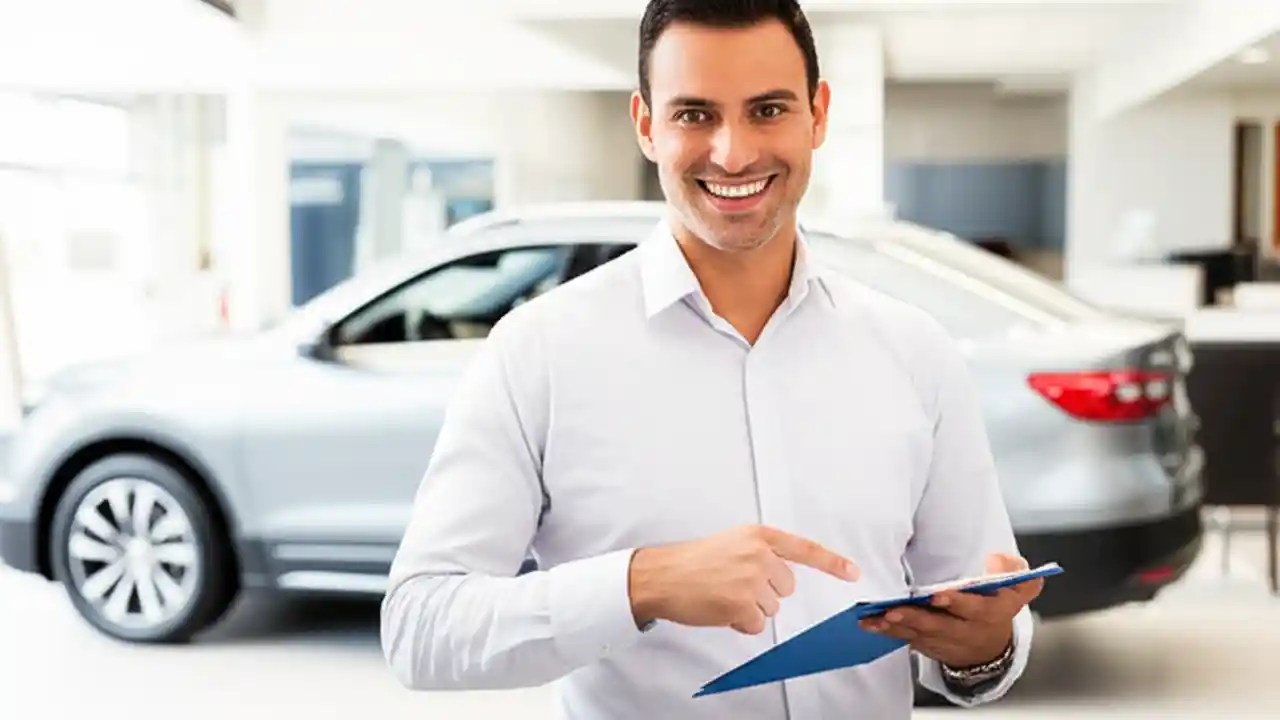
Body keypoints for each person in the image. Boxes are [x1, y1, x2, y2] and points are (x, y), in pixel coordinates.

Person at [380, 0, 1043, 717]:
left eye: (768, 110)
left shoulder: (914, 351)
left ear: (817, 115)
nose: (733, 153)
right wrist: (639, 584)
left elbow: (980, 619)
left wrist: (984, 650)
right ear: (645, 124)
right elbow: (421, 628)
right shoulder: (538, 351)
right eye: (695, 115)